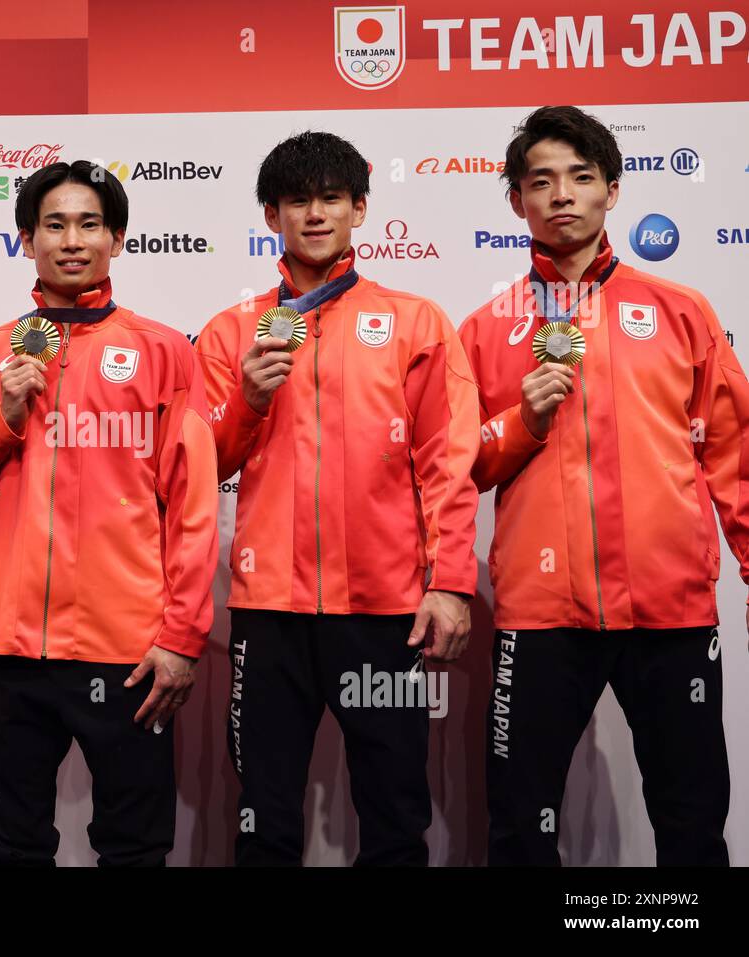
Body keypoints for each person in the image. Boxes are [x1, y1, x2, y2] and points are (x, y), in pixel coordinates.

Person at [459, 105, 746, 866]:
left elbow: (732, 451)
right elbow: (463, 468)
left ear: (612, 192)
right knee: (520, 829)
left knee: (692, 830)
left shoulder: (681, 311)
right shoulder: (488, 328)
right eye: (541, 181)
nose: (562, 196)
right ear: (518, 200)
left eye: (581, 178)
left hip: (671, 609)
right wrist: (521, 418)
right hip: (542, 616)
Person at [0, 160, 218, 866]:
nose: (73, 240)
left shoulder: (165, 351)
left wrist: (180, 634)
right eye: (55, 224)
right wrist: (4, 417)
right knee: (13, 844)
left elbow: (196, 504)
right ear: (27, 238)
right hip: (15, 650)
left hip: (132, 651)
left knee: (136, 844)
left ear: (117, 238)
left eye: (90, 224)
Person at [196, 132, 480, 866]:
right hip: (269, 615)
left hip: (384, 615)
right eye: (297, 200)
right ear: (271, 216)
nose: (314, 214)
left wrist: (449, 583)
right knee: (264, 822)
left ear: (360, 209)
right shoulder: (232, 333)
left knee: (394, 817)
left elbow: (448, 465)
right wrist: (247, 403)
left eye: (330, 198)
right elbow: (200, 467)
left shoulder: (417, 322)